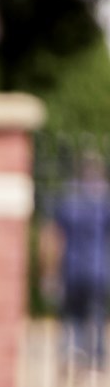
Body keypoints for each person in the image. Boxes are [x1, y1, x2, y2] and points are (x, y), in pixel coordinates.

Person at [49, 151, 109, 370]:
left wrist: (51, 273)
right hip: (97, 268)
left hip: (72, 269)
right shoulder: (104, 200)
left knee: (72, 316)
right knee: (96, 314)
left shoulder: (69, 199)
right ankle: (96, 357)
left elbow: (54, 238)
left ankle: (71, 354)